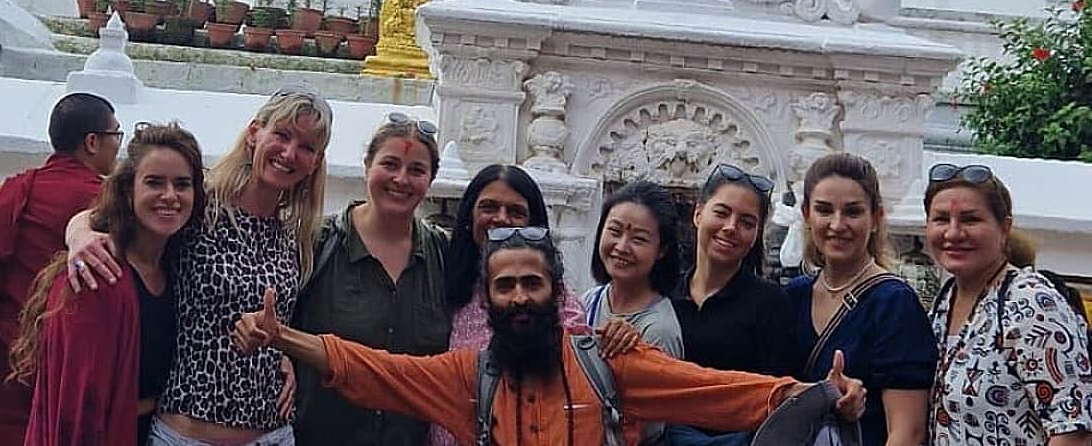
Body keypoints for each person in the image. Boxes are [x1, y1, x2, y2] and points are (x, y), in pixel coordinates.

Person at [232, 226, 868, 446]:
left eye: (531, 284)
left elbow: (716, 392)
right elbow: (370, 368)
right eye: (505, 286)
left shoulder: (607, 364)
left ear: (554, 292)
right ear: (488, 297)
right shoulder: (469, 376)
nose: (518, 298)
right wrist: (285, 338)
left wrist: (817, 393)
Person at [66, 85, 332, 446]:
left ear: (315, 161)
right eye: (282, 136)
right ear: (255, 133)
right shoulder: (199, 205)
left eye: (306, 147)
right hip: (186, 433)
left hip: (272, 434)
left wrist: (283, 353)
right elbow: (109, 214)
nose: (289, 153)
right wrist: (78, 234)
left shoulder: (297, 235)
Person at [0, 92, 120, 446]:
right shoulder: (112, 206)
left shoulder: (6, 195)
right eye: (116, 135)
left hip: (2, 384)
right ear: (92, 142)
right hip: (75, 387)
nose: (118, 147)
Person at [10, 123, 207, 445]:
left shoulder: (180, 266)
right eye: (154, 182)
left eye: (182, 184)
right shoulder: (97, 275)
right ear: (128, 191)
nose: (170, 196)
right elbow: (77, 410)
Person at [293, 112, 450, 446]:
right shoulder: (315, 242)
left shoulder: (444, 256)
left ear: (431, 179)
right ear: (367, 166)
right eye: (390, 164)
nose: (401, 179)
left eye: (416, 170)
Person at [924, 163, 1092, 446]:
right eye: (941, 219)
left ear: (1005, 227)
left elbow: (1074, 431)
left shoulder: (1031, 302)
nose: (953, 233)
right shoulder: (943, 303)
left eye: (970, 220)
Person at [785, 153, 936, 446]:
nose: (837, 224)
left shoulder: (894, 304)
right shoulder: (794, 295)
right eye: (824, 210)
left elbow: (907, 432)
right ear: (806, 214)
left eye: (852, 212)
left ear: (876, 218)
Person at [432, 164, 587, 446]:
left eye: (516, 211)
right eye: (489, 207)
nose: (501, 219)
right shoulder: (446, 285)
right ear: (469, 216)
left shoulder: (560, 304)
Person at [669, 164, 797, 446]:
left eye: (747, 223)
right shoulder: (663, 295)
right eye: (722, 213)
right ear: (698, 213)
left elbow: (778, 397)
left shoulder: (771, 304)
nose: (731, 228)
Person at [583, 180, 683, 444]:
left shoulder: (659, 329)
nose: (621, 246)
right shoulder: (590, 301)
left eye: (638, 239)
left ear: (661, 250)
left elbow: (650, 425)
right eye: (614, 231)